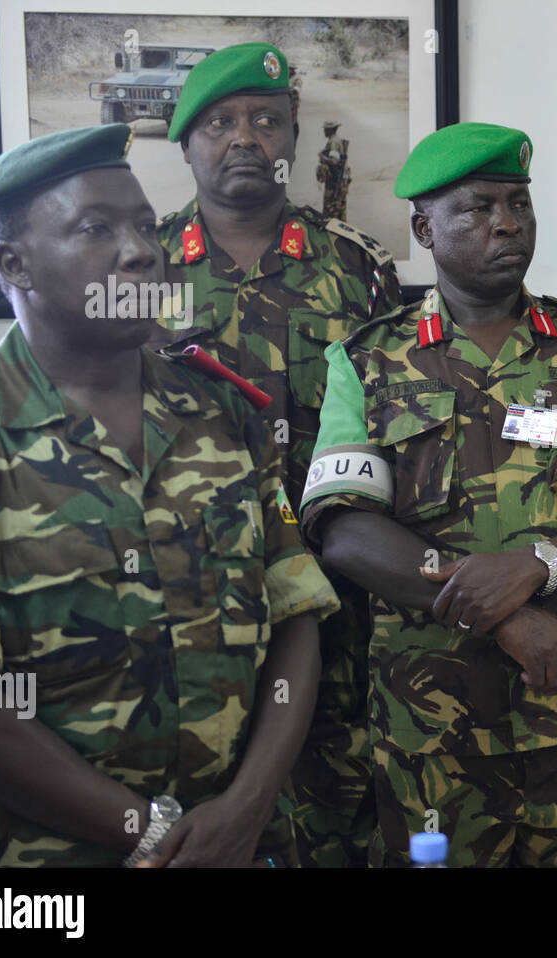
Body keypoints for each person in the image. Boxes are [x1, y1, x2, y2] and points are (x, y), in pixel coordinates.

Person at [0, 124, 339, 867]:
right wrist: (147, 832)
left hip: (240, 843)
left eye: (146, 226)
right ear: (13, 263)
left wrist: (244, 811)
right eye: (97, 229)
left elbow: (296, 617)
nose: (141, 250)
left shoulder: (224, 411)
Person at [299, 122, 557, 867]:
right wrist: (502, 617)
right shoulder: (368, 361)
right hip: (432, 730)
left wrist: (535, 565)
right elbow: (346, 531)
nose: (507, 223)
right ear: (424, 228)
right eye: (478, 207)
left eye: (519, 204)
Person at [153, 42, 402, 867]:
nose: (245, 138)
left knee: (342, 808)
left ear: (292, 135)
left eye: (265, 120)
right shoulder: (140, 269)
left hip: (339, 592)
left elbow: (396, 424)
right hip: (193, 595)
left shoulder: (356, 266)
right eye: (220, 123)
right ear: (187, 144)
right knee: (201, 808)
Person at [317, 120, 351, 221]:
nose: (324, 131)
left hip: (334, 183)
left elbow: (334, 161)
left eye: (326, 129)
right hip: (340, 182)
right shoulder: (337, 140)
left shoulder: (333, 143)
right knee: (340, 210)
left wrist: (323, 157)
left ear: (330, 130)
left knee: (331, 211)